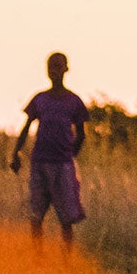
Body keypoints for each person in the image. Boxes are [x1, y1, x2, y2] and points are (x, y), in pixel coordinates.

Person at [11, 52, 90, 247]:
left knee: (66, 217)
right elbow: (26, 127)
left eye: (57, 66)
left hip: (63, 165)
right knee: (36, 214)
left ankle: (66, 259)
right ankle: (38, 258)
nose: (54, 70)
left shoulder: (74, 101)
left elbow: (82, 134)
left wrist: (70, 157)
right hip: (39, 162)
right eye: (51, 67)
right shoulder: (40, 99)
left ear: (66, 69)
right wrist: (16, 153)